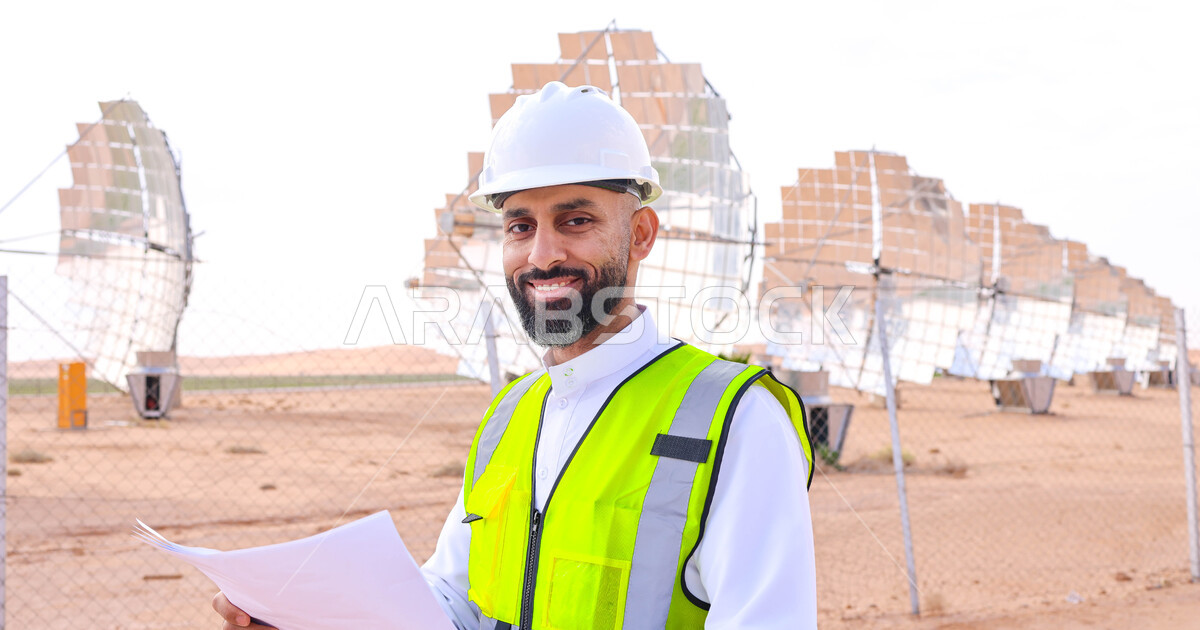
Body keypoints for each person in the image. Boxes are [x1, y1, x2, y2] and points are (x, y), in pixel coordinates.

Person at [214, 81, 816, 629]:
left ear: (641, 234)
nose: (542, 255)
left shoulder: (736, 420)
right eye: (520, 226)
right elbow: (455, 601)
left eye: (575, 220)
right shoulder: (511, 416)